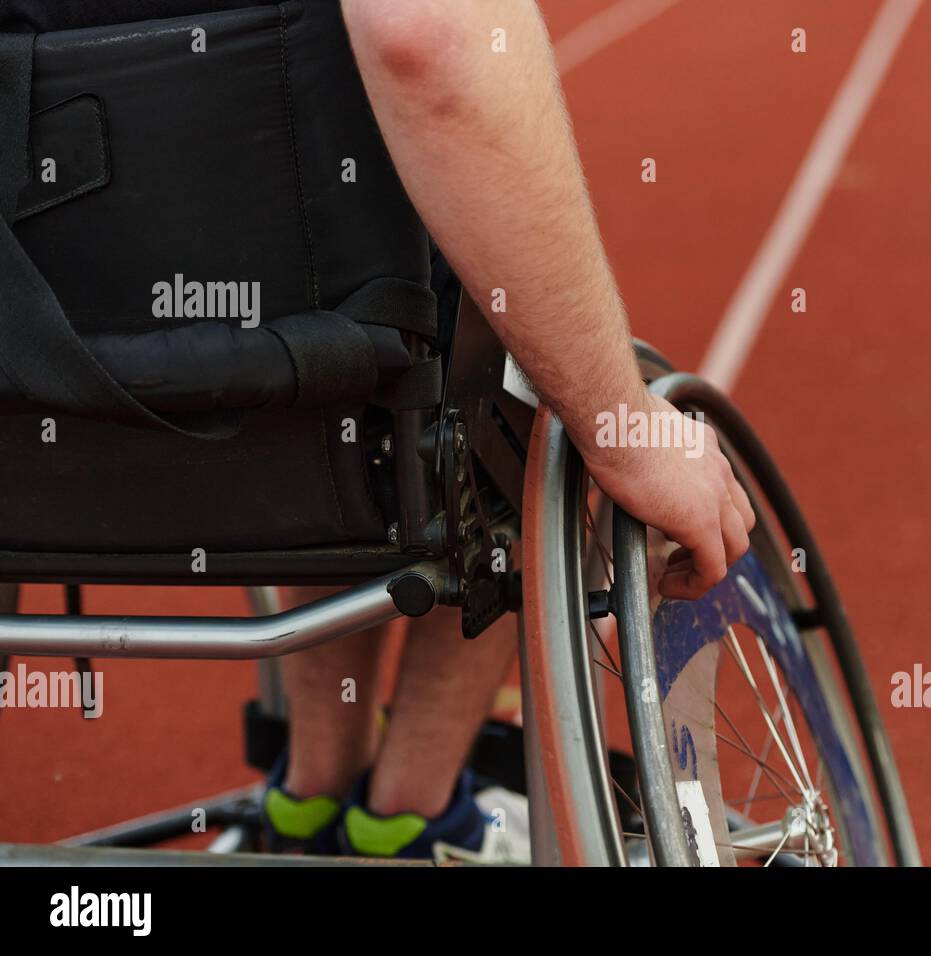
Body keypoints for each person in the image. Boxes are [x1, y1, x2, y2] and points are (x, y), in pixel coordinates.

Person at [0, 0, 756, 861]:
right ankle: (413, 810)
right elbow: (422, 33)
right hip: (309, 371)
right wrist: (620, 431)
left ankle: (310, 797)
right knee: (511, 351)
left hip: (31, 387)